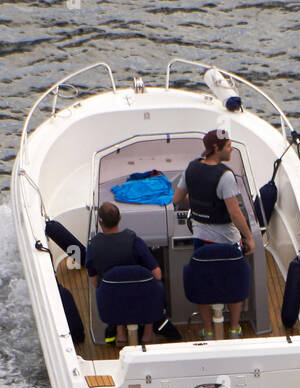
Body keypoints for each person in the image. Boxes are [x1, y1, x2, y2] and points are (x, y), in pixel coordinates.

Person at [173, 130, 255, 339]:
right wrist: (249, 237)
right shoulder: (225, 176)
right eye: (228, 145)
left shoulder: (191, 168)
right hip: (227, 243)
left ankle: (208, 329)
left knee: (204, 285)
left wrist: (199, 197)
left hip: (201, 240)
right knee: (234, 283)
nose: (231, 148)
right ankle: (235, 327)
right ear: (216, 149)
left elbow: (178, 199)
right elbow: (235, 213)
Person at [85, 203, 163, 344]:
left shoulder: (93, 246)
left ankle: (121, 333)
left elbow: (95, 282)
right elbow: (157, 274)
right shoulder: (134, 241)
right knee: (153, 284)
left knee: (112, 288)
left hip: (112, 300)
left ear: (99, 221)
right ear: (120, 218)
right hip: (140, 296)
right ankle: (147, 333)